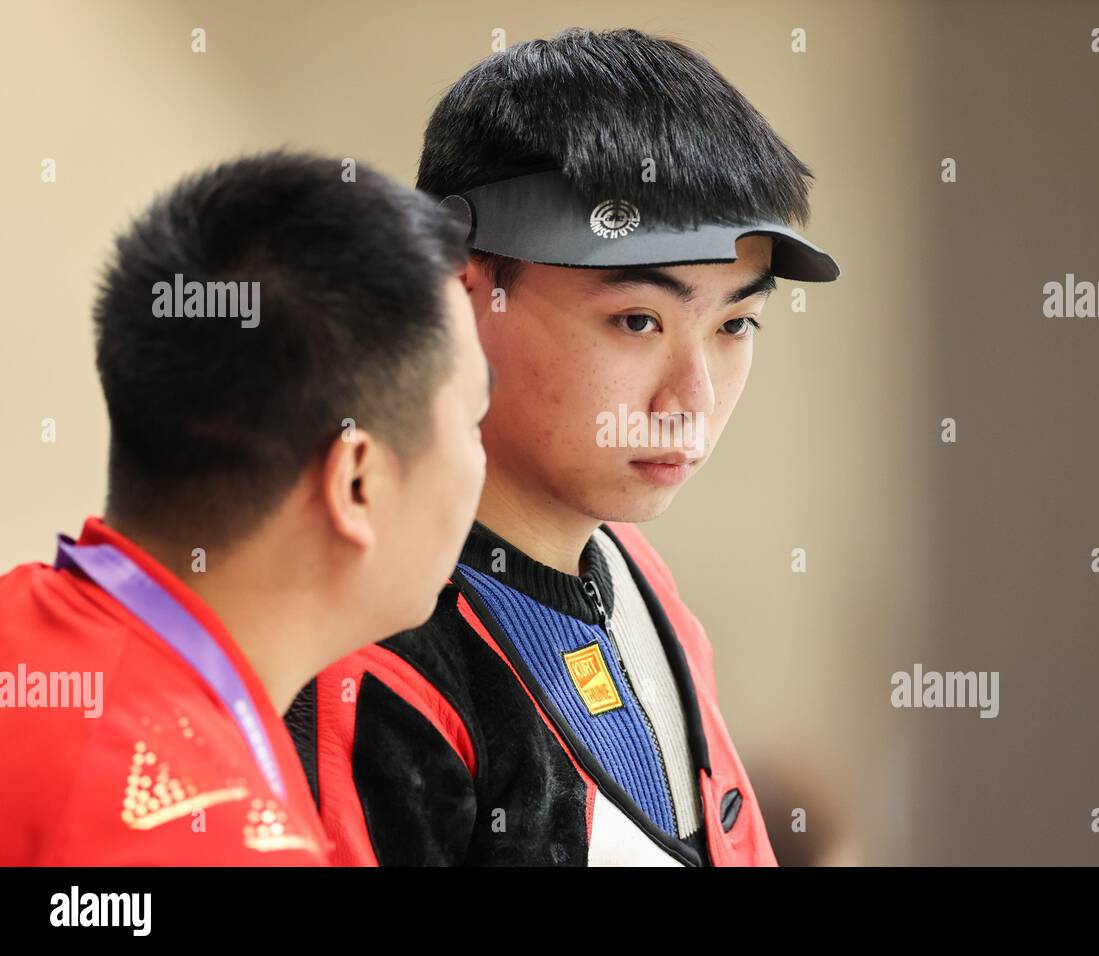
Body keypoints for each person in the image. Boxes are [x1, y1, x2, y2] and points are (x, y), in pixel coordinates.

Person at [290, 27, 840, 866]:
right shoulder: (369, 646)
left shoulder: (638, 579)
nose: (690, 399)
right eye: (636, 321)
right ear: (462, 291)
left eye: (735, 324)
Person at [0, 152, 489, 865]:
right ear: (358, 482)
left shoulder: (29, 627)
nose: (482, 464)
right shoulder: (217, 840)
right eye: (474, 421)